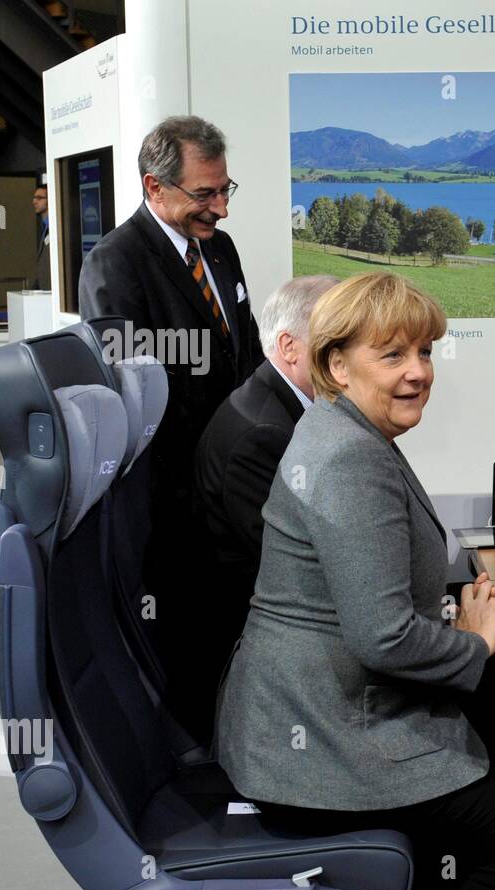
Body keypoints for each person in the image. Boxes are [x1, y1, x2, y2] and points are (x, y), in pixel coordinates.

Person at [215, 272, 495, 890]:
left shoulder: (340, 428)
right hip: (320, 737)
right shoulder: (350, 457)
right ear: (337, 364)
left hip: (309, 713)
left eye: (425, 353)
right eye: (394, 355)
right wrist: (474, 642)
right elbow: (382, 637)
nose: (418, 373)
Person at [78, 115, 263, 742]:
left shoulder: (220, 248)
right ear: (154, 187)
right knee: (188, 658)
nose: (221, 209)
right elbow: (132, 403)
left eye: (225, 189)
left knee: (234, 651)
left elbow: (247, 357)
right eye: (204, 195)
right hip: (174, 514)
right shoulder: (116, 265)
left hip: (237, 496)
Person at [193, 274, 338, 693]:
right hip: (270, 656)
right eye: (336, 342)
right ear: (289, 347)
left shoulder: (277, 404)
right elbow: (291, 566)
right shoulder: (264, 434)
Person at [33, 185, 50, 291]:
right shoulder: (44, 227)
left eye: (39, 198)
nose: (34, 201)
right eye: (34, 198)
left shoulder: (57, 227)